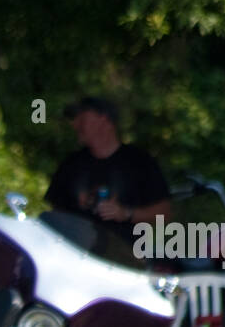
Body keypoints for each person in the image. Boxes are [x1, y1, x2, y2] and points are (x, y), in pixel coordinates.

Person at [45, 96, 171, 263]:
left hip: (124, 261)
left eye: (82, 118)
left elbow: (164, 212)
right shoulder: (71, 164)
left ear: (103, 120)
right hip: (75, 258)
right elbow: (56, 213)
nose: (75, 125)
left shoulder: (139, 162)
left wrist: (126, 214)